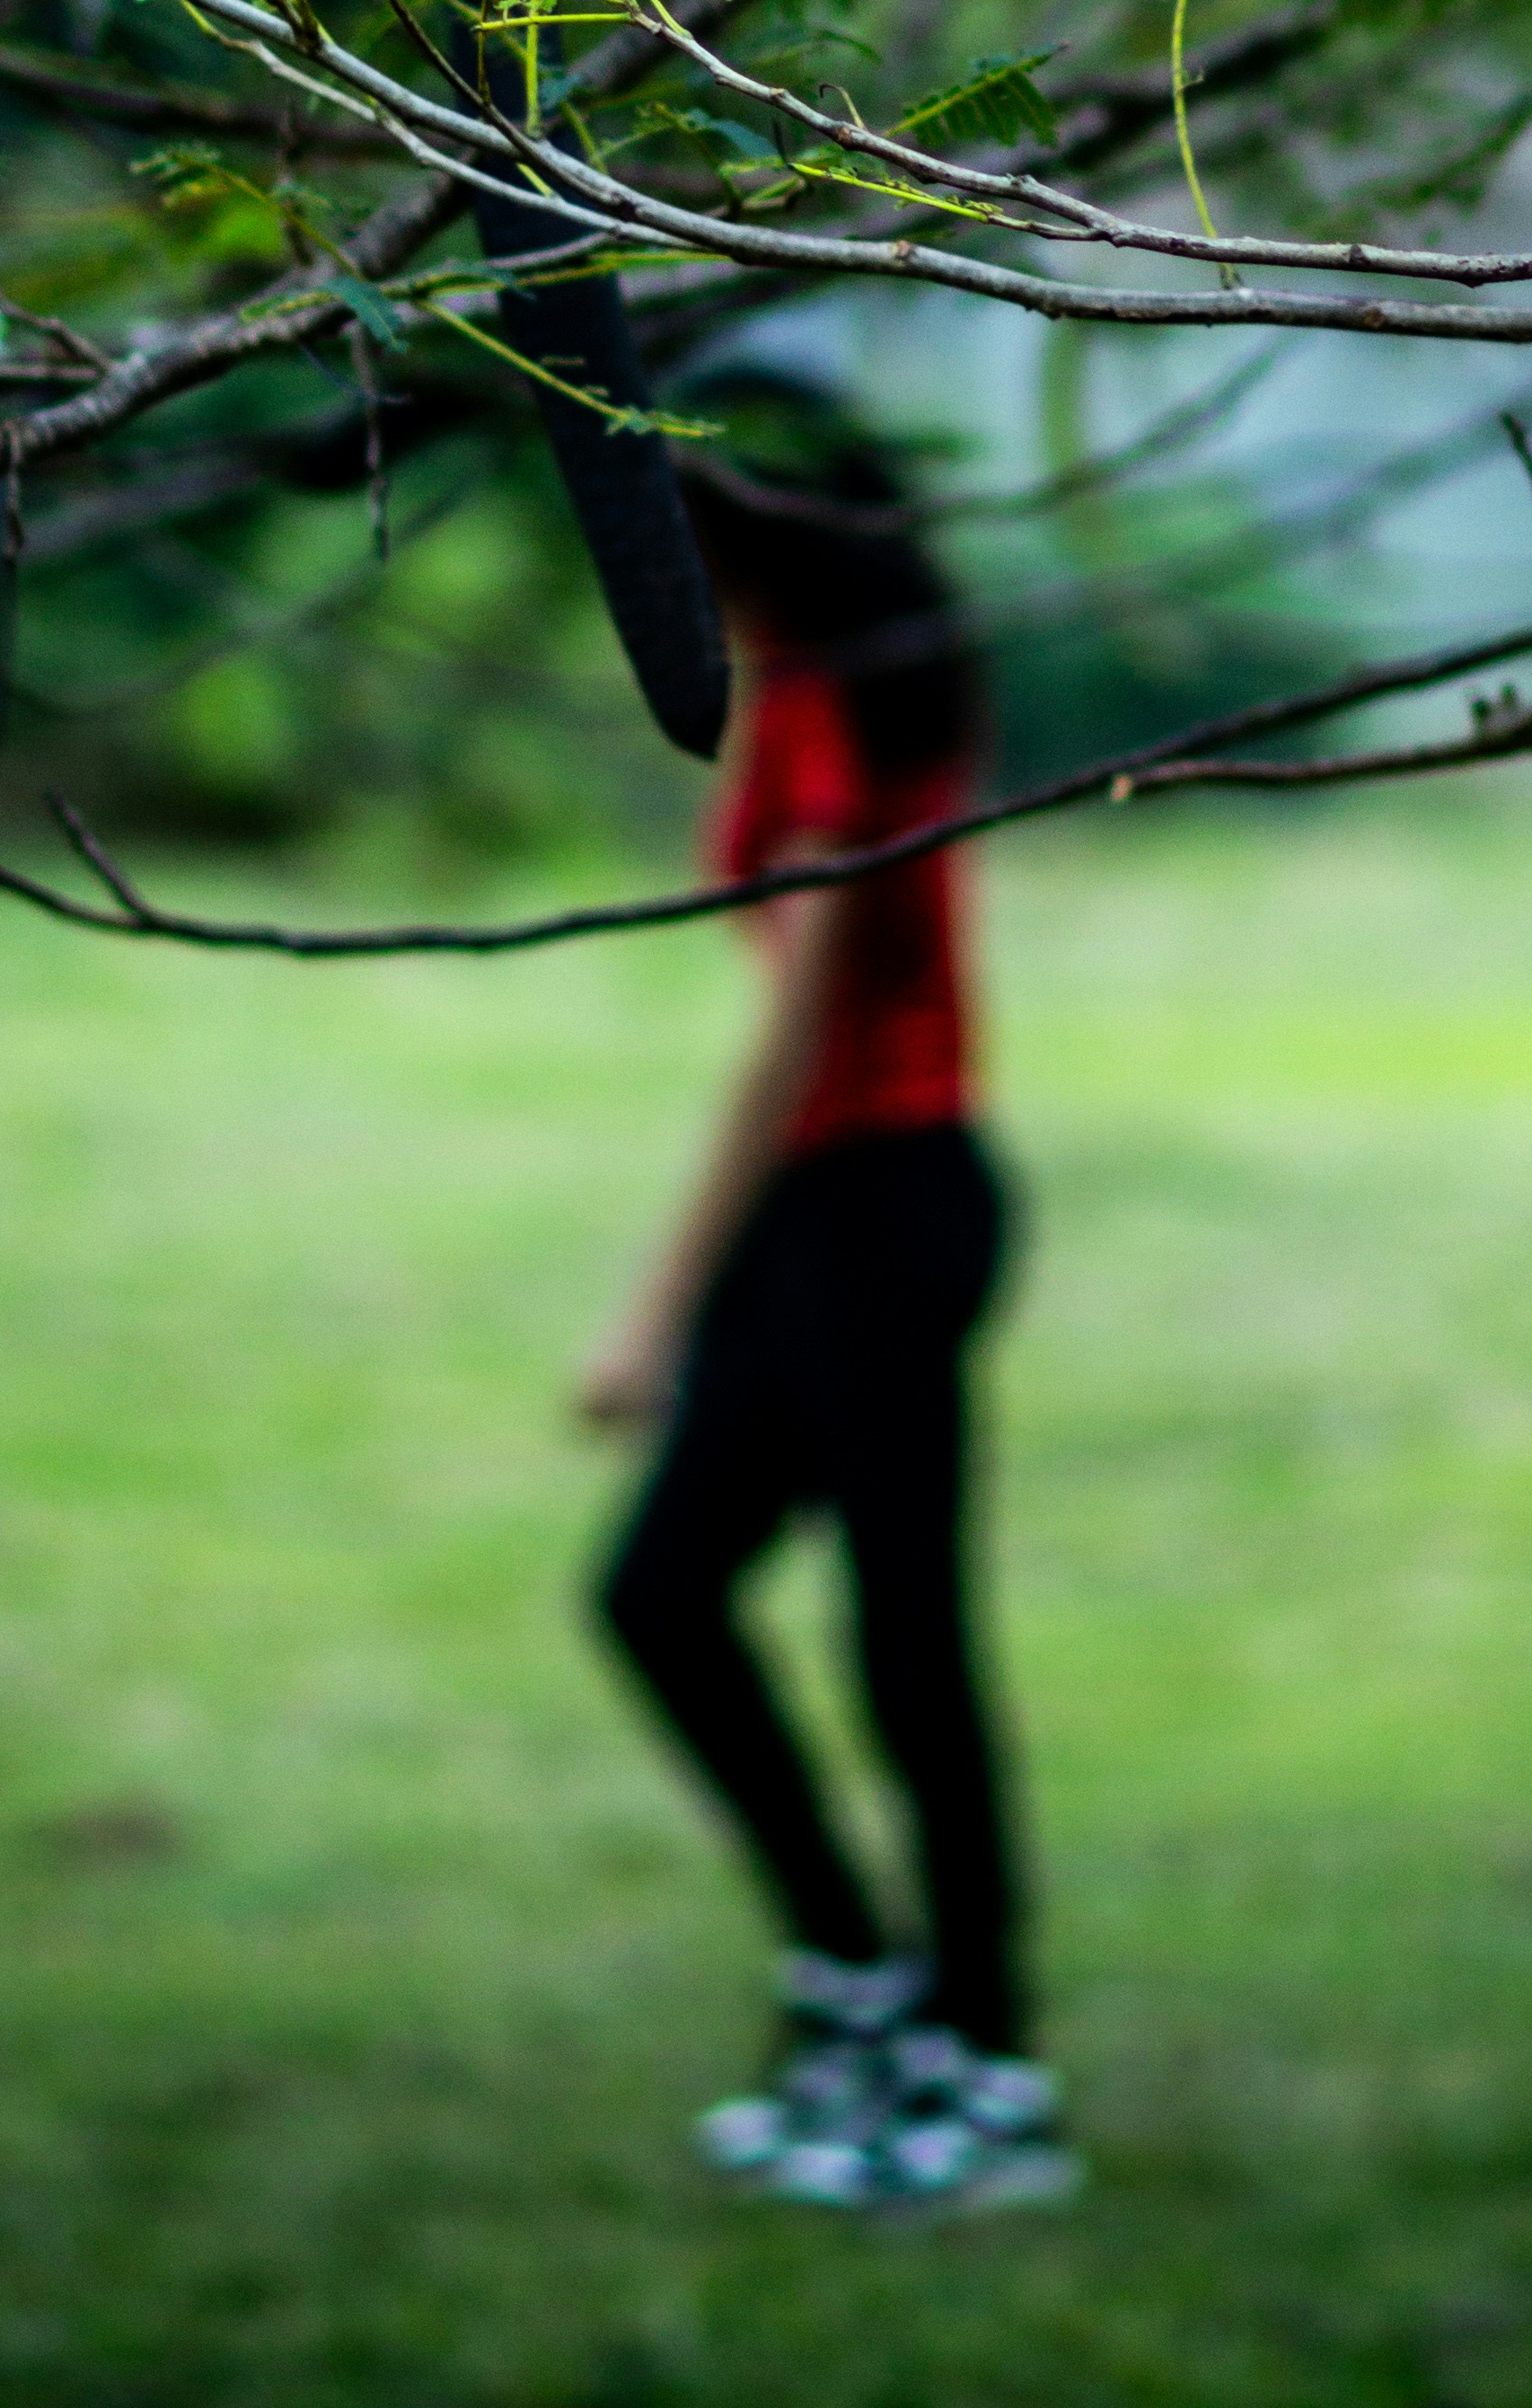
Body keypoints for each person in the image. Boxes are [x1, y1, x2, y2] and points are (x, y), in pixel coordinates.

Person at [578, 420, 1074, 2215]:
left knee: (889, 1636)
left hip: (862, 1198)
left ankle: (981, 2059)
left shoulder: (812, 704)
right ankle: (870, 1990)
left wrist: (651, 1306)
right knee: (678, 1596)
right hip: (881, 1195)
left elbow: (792, 1037)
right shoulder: (881, 674)